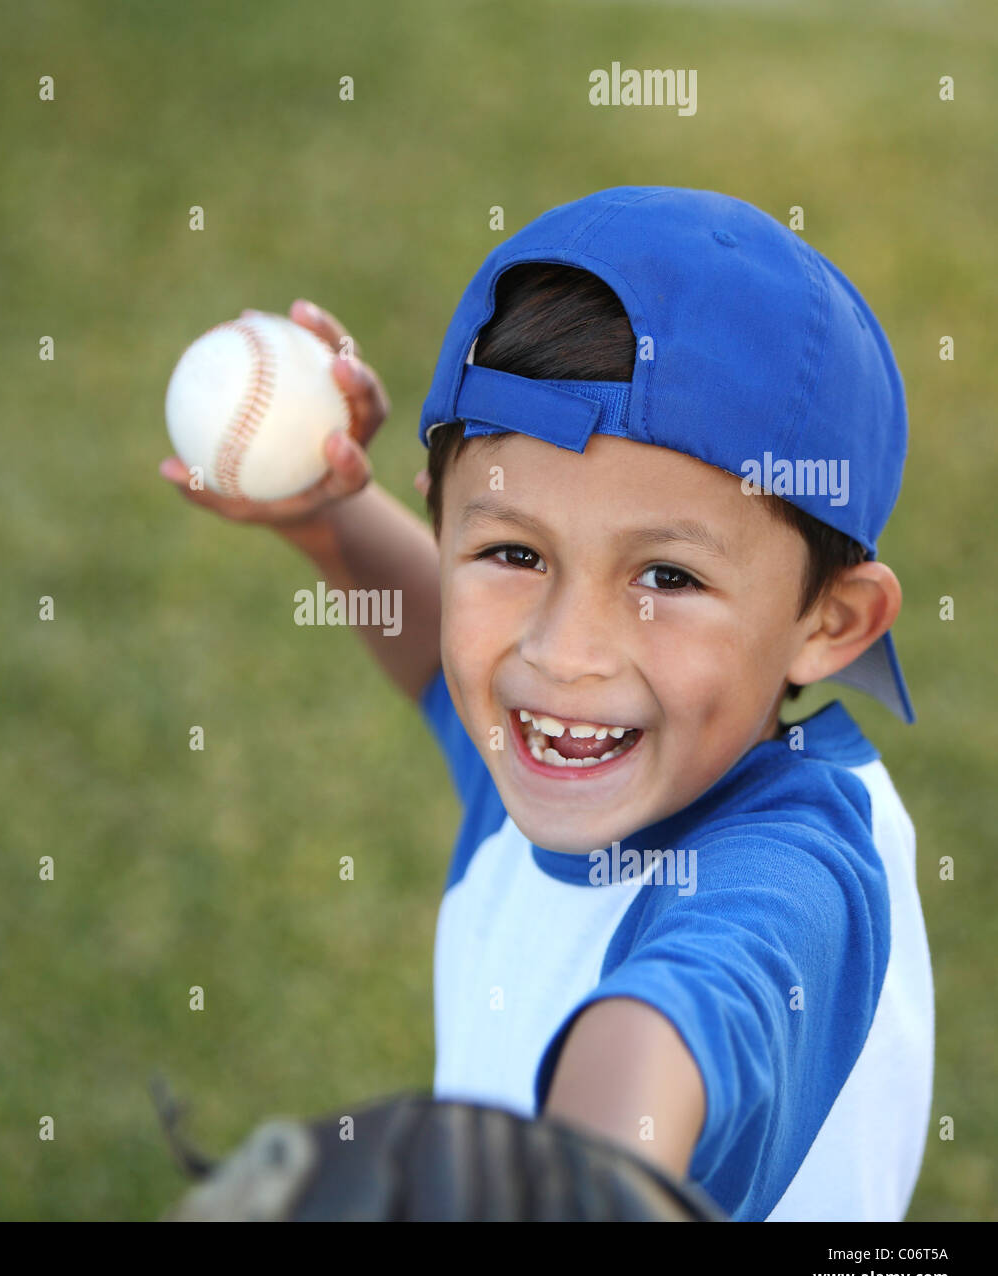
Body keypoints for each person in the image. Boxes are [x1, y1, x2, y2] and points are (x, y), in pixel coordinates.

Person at [158, 186, 933, 1222]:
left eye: (667, 577)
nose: (562, 654)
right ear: (441, 523)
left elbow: (678, 1018)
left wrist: (576, 1181)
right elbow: (443, 662)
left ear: (831, 620)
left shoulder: (792, 873)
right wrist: (329, 521)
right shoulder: (570, 748)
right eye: (513, 553)